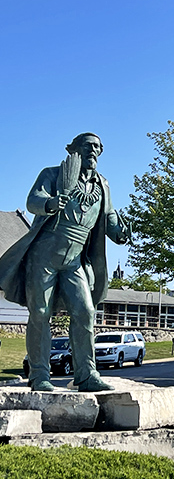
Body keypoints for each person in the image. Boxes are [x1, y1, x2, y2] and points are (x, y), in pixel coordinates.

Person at [0, 133, 131, 392]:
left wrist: (120, 232)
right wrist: (49, 203)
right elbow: (32, 201)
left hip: (75, 261)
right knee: (40, 313)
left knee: (85, 312)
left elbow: (110, 217)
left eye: (97, 147)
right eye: (87, 146)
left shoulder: (102, 185)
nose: (93, 151)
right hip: (44, 256)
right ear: (73, 150)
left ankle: (86, 375)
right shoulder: (52, 174)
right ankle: (39, 376)